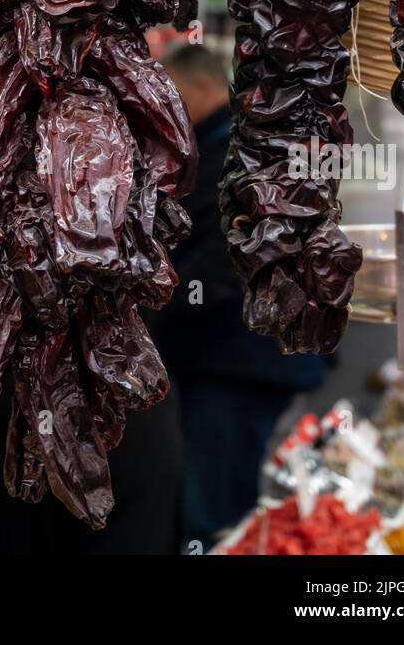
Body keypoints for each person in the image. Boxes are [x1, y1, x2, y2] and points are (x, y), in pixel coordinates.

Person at [153, 42, 326, 551]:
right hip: (245, 359)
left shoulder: (234, 153)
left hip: (236, 363)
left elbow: (223, 271)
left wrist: (146, 319)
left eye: (172, 98)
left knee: (214, 512)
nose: (163, 112)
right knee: (223, 499)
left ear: (207, 86)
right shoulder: (230, 146)